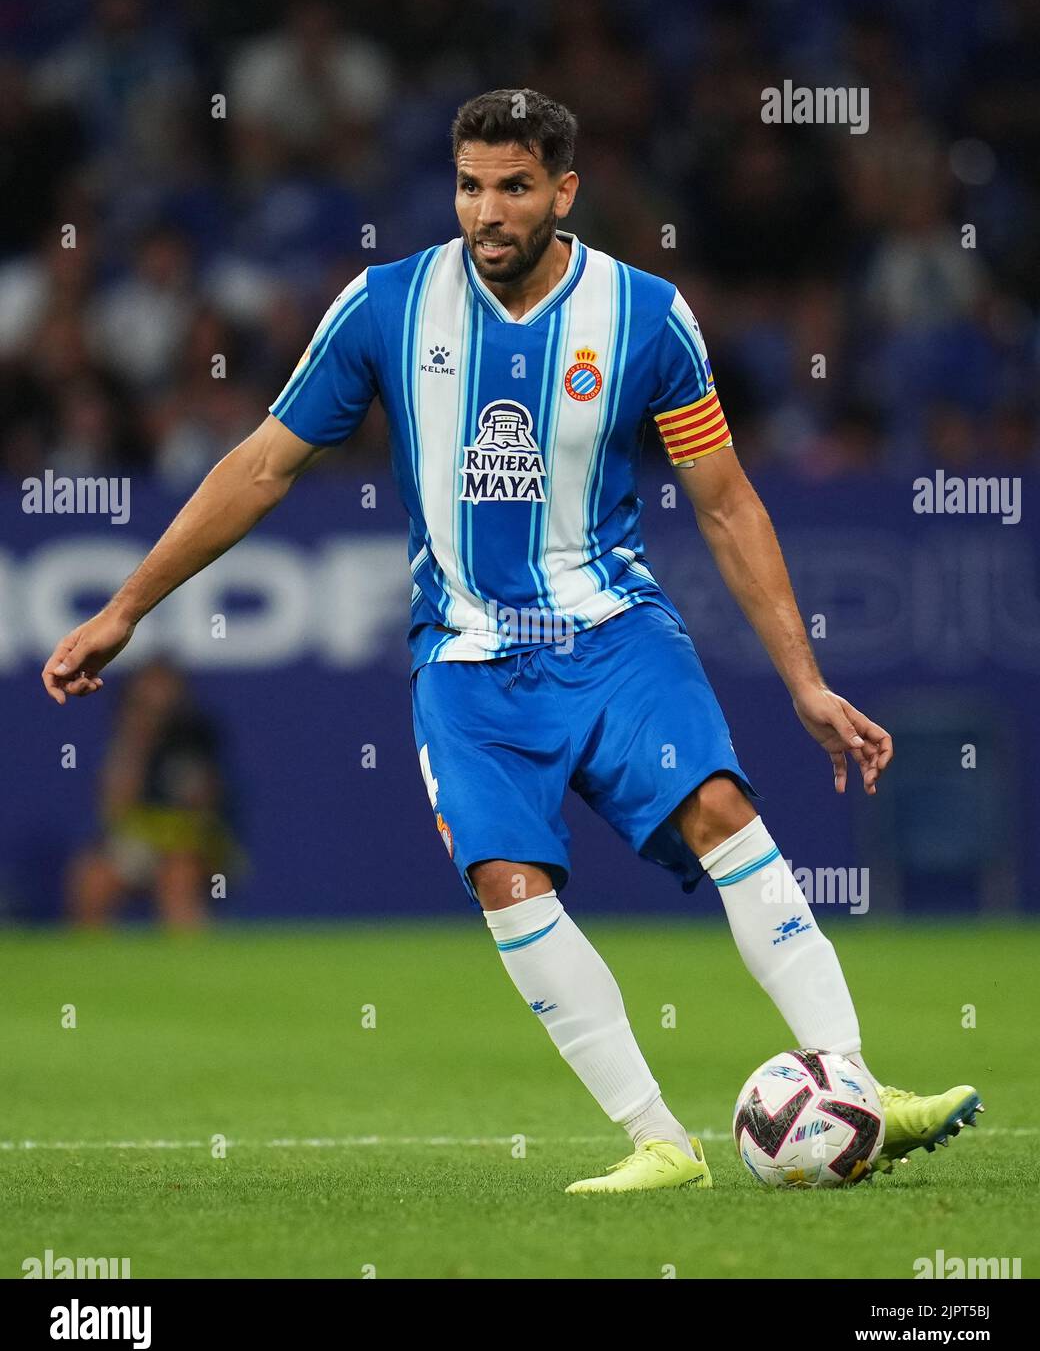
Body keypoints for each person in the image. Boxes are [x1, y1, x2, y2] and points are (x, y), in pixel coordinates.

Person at [41, 88, 981, 1192]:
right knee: (506, 878)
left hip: (615, 633)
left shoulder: (642, 314)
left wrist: (804, 681)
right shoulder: (385, 307)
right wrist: (125, 608)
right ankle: (657, 1140)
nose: (487, 211)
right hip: (469, 661)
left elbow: (724, 503)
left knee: (723, 810)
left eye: (514, 187)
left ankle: (854, 1088)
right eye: (470, 186)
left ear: (562, 191)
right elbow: (260, 466)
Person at [64, 658, 239, 930]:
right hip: (137, 843)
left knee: (178, 875)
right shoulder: (127, 738)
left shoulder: (197, 736)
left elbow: (203, 805)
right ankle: (93, 966)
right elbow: (114, 810)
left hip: (190, 842)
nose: (156, 700)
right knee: (93, 877)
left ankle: (194, 964)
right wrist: (137, 741)